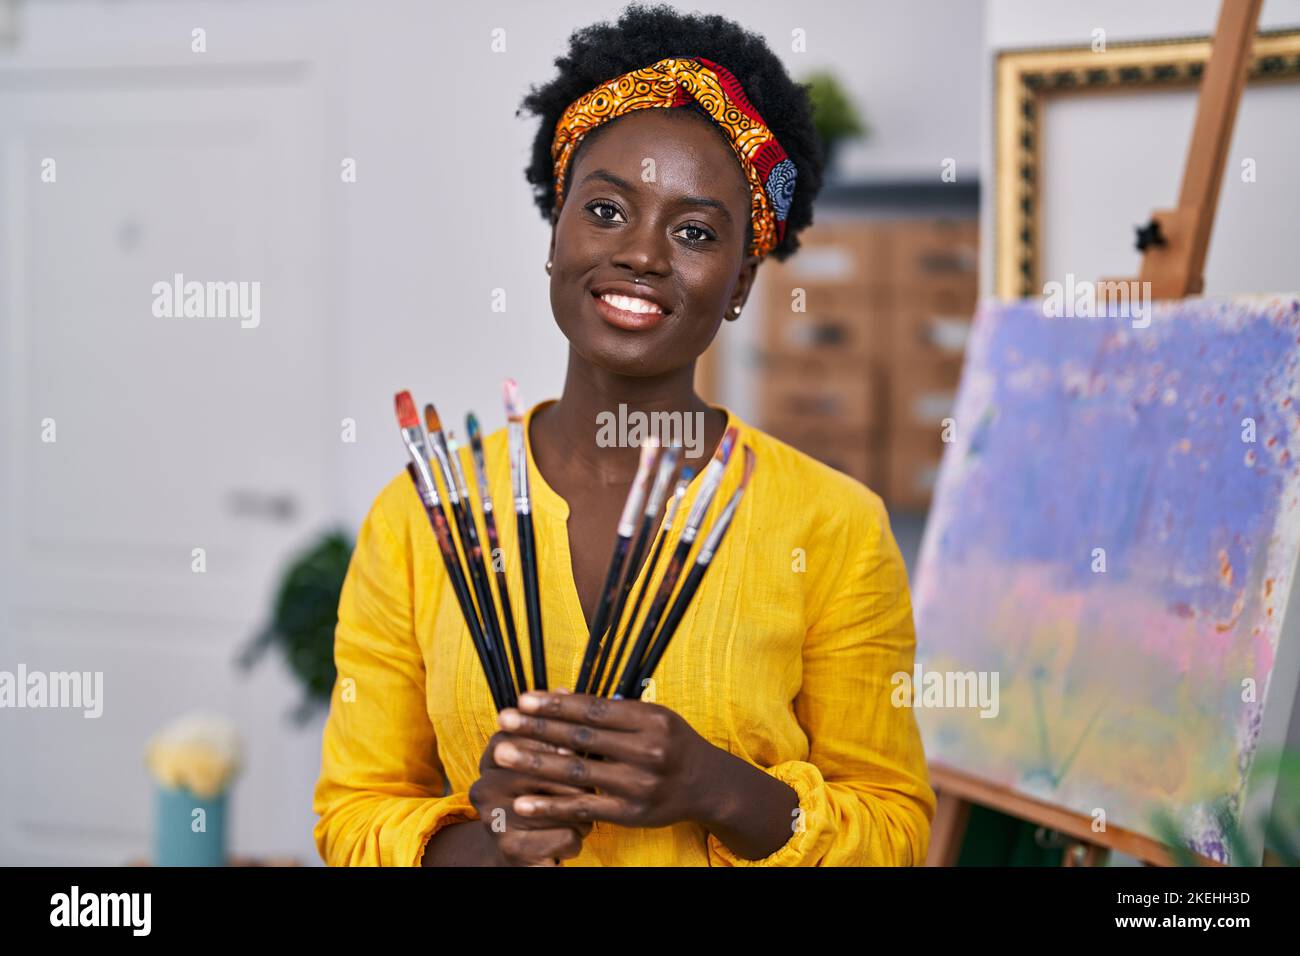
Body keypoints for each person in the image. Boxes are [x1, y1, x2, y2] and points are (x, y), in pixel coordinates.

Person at [313, 2, 935, 866]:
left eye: (693, 232)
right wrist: (488, 843)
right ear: (555, 232)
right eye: (605, 211)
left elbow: (896, 831)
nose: (642, 253)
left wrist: (714, 787)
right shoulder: (417, 519)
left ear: (742, 281)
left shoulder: (835, 529)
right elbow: (353, 816)